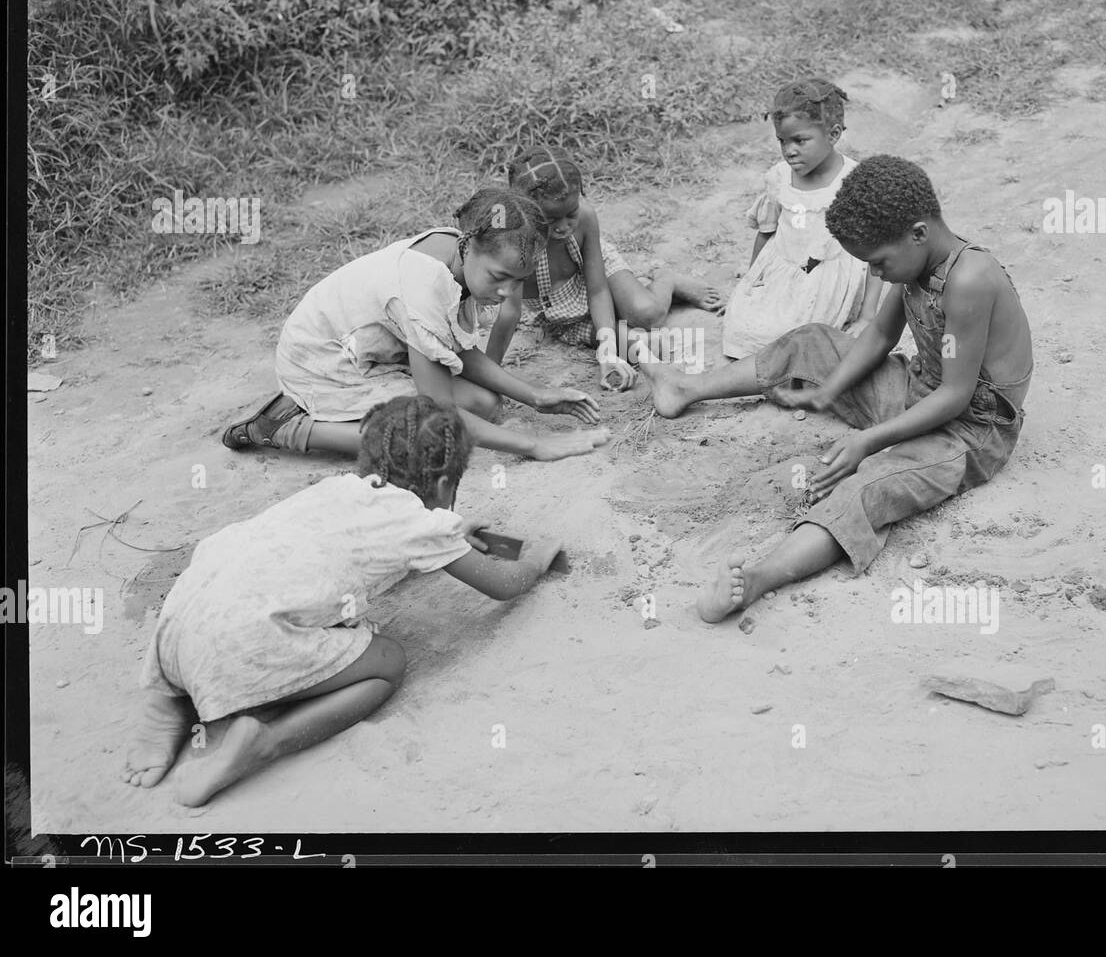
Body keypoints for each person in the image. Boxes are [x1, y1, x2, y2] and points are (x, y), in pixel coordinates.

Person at [641, 155, 1033, 622]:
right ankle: (686, 388)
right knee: (814, 341)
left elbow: (956, 396)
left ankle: (757, 581)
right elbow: (880, 336)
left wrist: (866, 441)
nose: (877, 274)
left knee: (864, 485)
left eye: (878, 262)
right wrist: (831, 390)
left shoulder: (969, 280)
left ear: (918, 233)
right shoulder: (915, 263)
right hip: (923, 390)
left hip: (968, 432)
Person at [125, 396, 564, 806]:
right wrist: (537, 561)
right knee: (388, 662)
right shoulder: (419, 526)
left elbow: (370, 551)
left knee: (243, 618)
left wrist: (448, 543)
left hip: (180, 623)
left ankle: (169, 701)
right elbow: (504, 584)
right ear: (447, 482)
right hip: (241, 645)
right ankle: (267, 741)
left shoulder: (336, 491)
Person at [221, 186, 610, 461]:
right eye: (499, 278)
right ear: (466, 247)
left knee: (484, 403)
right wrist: (534, 445)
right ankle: (280, 427)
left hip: (375, 350)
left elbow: (458, 349)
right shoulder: (422, 290)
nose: (509, 293)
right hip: (323, 361)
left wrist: (536, 396)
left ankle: (312, 413)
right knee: (434, 438)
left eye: (518, 281)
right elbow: (439, 409)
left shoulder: (460, 254)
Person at [501, 145, 724, 391]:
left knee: (649, 315)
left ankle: (666, 280)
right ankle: (617, 317)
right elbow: (509, 314)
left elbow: (597, 290)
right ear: (525, 211)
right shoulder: (516, 243)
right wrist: (492, 372)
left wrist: (605, 351)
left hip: (595, 274)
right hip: (561, 314)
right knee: (645, 347)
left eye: (570, 214)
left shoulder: (585, 218)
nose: (564, 227)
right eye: (551, 220)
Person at [722, 78, 881, 358]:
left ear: (833, 135)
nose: (789, 150)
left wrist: (868, 317)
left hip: (826, 280)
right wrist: (749, 285)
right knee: (744, 328)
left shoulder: (853, 182)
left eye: (800, 140)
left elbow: (875, 254)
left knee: (795, 341)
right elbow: (766, 232)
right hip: (784, 270)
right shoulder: (780, 178)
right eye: (782, 141)